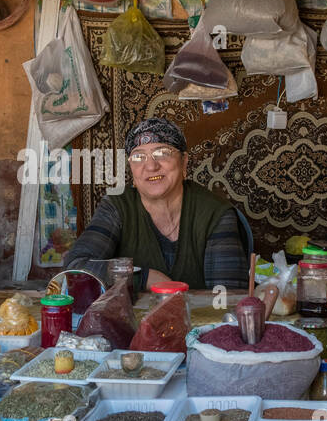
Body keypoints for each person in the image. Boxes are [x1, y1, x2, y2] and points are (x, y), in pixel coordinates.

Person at [64, 118, 248, 292]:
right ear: (131, 170)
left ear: (184, 162)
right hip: (130, 322)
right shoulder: (117, 206)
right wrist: (143, 278)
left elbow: (227, 298)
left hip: (198, 324)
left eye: (162, 153)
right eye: (138, 157)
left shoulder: (215, 214)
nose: (151, 166)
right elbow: (75, 269)